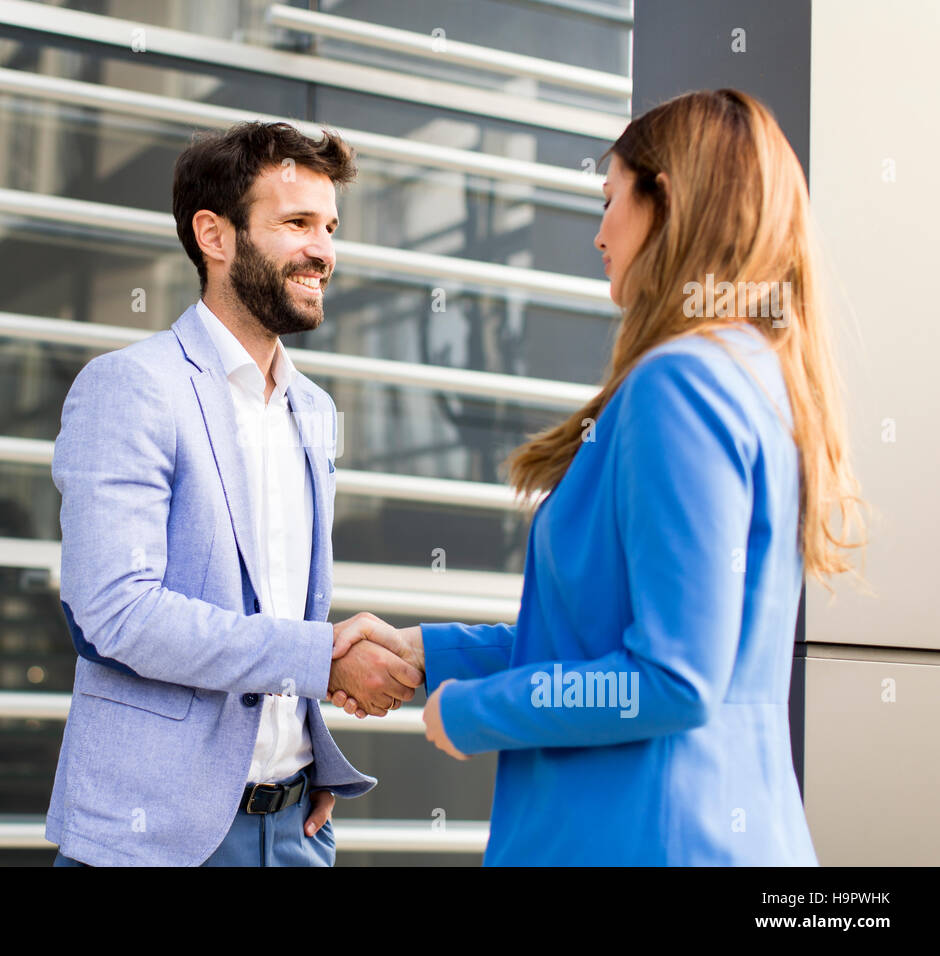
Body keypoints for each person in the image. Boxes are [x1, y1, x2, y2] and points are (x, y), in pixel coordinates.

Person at [332, 89, 868, 866]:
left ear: (667, 201)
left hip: (649, 838)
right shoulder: (751, 375)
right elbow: (604, 638)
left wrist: (477, 710)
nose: (599, 233)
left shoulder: (679, 384)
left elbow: (671, 678)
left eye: (611, 197)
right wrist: (429, 654)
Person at [45, 121, 422, 867]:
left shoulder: (313, 409)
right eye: (296, 224)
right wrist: (320, 659)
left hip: (294, 828)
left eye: (330, 227)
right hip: (156, 838)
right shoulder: (132, 388)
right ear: (214, 237)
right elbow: (118, 613)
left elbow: (284, 606)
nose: (324, 250)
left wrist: (304, 744)